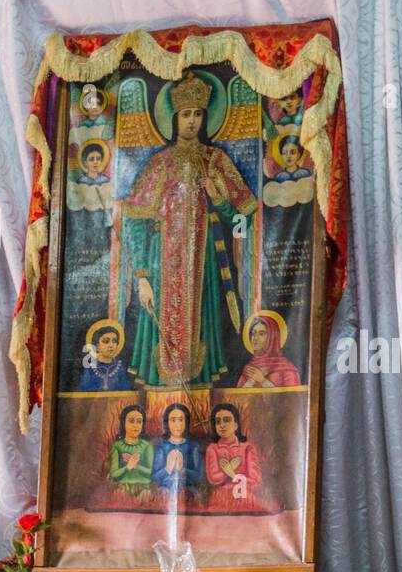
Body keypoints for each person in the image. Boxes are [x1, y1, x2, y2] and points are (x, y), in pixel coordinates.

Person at [121, 72, 258, 387]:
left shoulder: (216, 161)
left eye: (197, 114)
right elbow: (134, 219)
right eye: (186, 114)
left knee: (201, 324)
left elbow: (244, 216)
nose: (192, 121)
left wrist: (218, 199)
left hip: (203, 260)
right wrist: (141, 276)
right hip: (160, 261)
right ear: (174, 118)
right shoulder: (160, 163)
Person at [205, 404, 261, 507]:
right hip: (220, 496)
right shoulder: (212, 448)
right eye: (218, 422)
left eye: (226, 420)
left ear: (235, 425)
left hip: (245, 494)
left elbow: (254, 480)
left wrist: (231, 474)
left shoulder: (248, 448)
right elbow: (213, 478)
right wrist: (230, 470)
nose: (222, 425)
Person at [237, 314, 301, 388]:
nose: (255, 338)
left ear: (272, 337)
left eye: (261, 334)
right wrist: (252, 380)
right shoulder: (249, 369)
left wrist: (262, 380)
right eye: (253, 333)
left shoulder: (287, 368)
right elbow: (238, 394)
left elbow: (293, 394)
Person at [151, 403, 203, 493]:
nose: (177, 424)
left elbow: (199, 476)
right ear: (167, 423)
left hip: (188, 491)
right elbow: (155, 476)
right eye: (173, 420)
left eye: (180, 420)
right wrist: (167, 468)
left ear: (186, 422)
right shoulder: (162, 447)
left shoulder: (193, 446)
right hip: (166, 490)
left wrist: (182, 469)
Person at [107, 405, 153, 491]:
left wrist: (135, 465)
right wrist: (128, 467)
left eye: (139, 421)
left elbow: (151, 472)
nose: (135, 425)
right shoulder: (117, 446)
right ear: (123, 423)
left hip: (143, 488)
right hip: (123, 487)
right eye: (131, 421)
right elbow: (114, 474)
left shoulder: (147, 446)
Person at [78, 321, 131, 392]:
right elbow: (85, 392)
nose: (111, 345)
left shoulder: (121, 368)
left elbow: (126, 391)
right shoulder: (90, 369)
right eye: (106, 341)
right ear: (97, 346)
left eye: (114, 341)